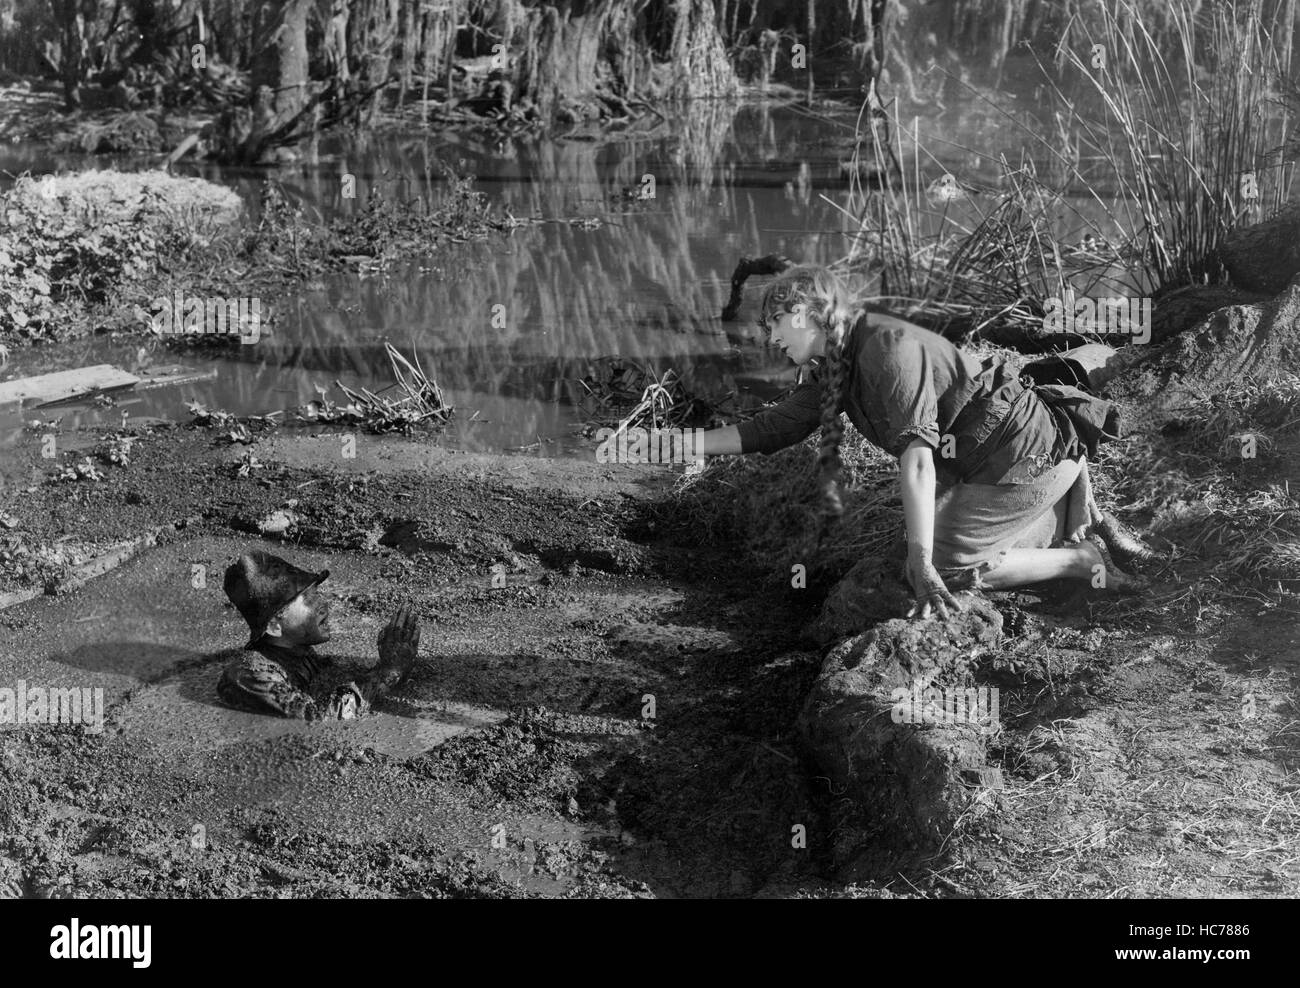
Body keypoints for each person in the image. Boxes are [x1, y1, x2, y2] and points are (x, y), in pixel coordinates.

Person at [697, 265, 1158, 620]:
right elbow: (775, 428)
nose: (770, 337)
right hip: (1003, 464)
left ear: (803, 313)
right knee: (930, 546)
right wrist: (682, 445)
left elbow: (918, 463)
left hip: (1022, 458)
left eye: (774, 322)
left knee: (945, 566)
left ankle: (1079, 560)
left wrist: (921, 561)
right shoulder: (838, 359)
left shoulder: (885, 347)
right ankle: (1070, 494)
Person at [217, 550, 420, 719]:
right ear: (274, 626)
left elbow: (340, 680)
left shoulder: (297, 651)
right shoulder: (251, 675)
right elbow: (319, 717)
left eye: (316, 593)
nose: (323, 605)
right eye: (308, 599)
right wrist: (387, 672)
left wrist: (395, 664)